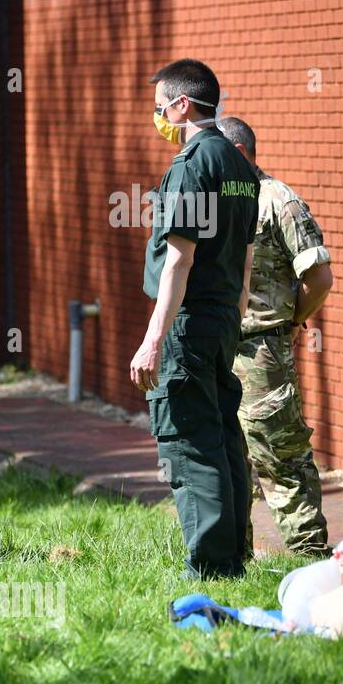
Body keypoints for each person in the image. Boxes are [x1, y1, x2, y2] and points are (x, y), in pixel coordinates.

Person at [130, 59, 257, 579]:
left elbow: (179, 260)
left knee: (189, 441)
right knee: (224, 437)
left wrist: (153, 338)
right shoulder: (239, 165)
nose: (158, 116)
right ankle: (233, 557)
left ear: (183, 105)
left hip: (189, 322)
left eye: (161, 106)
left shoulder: (192, 164)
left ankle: (208, 566)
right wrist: (235, 311)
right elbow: (246, 257)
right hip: (224, 317)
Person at [216, 116, 333, 557]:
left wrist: (289, 321)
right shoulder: (215, 202)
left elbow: (319, 277)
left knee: (280, 460)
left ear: (239, 154)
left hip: (263, 352)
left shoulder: (278, 200)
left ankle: (312, 565)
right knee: (229, 463)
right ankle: (232, 565)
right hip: (218, 350)